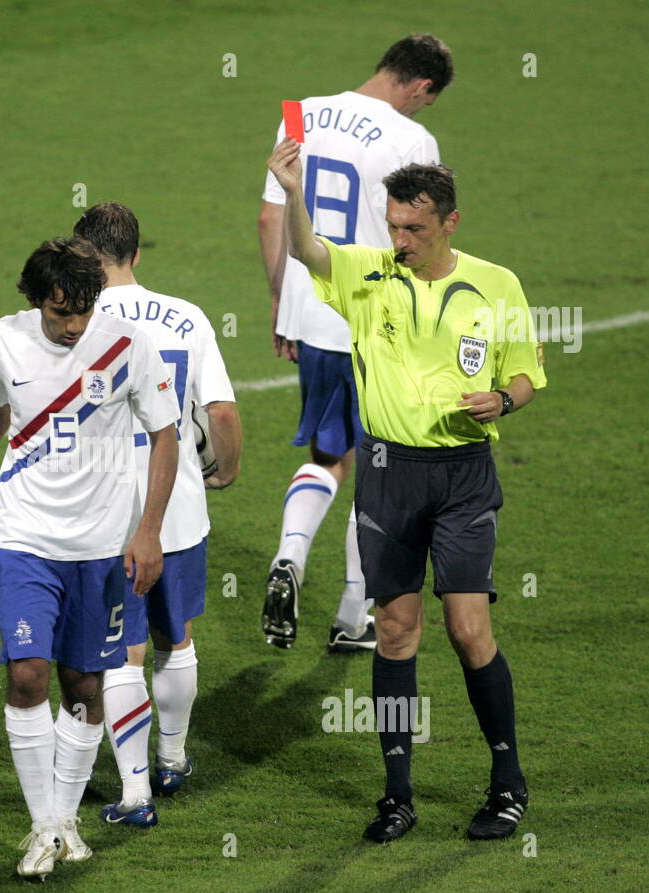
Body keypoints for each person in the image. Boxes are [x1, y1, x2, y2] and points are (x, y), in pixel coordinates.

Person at [268, 139, 545, 842]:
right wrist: (293, 192)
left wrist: (503, 401)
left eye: (415, 228)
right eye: (393, 226)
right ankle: (397, 796)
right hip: (388, 475)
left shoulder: (497, 285)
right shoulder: (368, 274)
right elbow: (306, 250)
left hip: (463, 475)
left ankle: (507, 782)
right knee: (394, 632)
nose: (401, 240)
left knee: (468, 628)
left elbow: (525, 373)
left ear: (451, 222)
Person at [0, 237, 179, 878]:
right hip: (24, 537)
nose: (72, 326)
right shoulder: (5, 339)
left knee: (85, 686)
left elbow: (165, 435)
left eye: (83, 311)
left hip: (101, 547)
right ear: (36, 298)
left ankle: (64, 821)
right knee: (26, 674)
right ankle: (43, 826)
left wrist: (149, 531)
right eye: (60, 312)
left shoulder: (128, 344)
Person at [258, 33, 452, 652]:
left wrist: (282, 302)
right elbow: (421, 236)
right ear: (421, 86)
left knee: (328, 455)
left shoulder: (300, 115)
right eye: (427, 100)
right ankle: (352, 616)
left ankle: (289, 557)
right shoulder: (412, 139)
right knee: (382, 467)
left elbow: (270, 216)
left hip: (311, 314)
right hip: (375, 322)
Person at [73, 203, 241, 825]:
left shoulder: (74, 322)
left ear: (83, 255)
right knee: (177, 637)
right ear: (137, 254)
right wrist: (225, 469)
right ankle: (172, 759)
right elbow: (221, 413)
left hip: (106, 513)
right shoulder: (188, 317)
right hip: (179, 507)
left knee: (123, 652)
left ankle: (135, 792)